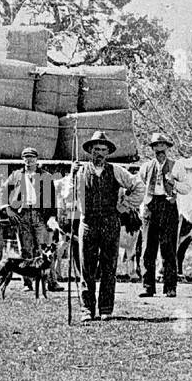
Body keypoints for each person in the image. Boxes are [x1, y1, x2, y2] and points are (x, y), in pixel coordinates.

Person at [67, 131, 142, 320]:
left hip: (110, 222)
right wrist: (72, 176)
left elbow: (138, 186)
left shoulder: (116, 171)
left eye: (103, 149)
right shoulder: (81, 171)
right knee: (87, 267)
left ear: (108, 152)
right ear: (90, 151)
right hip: (88, 223)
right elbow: (68, 197)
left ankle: (106, 309)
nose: (99, 153)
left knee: (109, 267)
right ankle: (87, 309)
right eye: (96, 149)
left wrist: (124, 206)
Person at [0, 147, 60, 292]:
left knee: (45, 249)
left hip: (40, 216)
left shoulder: (46, 176)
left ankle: (51, 282)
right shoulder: (16, 175)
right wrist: (7, 208)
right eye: (26, 158)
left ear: (37, 160)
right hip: (22, 216)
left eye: (31, 158)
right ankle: (27, 283)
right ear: (23, 160)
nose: (29, 160)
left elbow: (52, 199)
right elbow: (3, 191)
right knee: (25, 249)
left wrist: (52, 217)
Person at [137, 132, 189, 298]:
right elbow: (138, 187)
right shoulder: (146, 167)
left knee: (168, 248)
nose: (159, 149)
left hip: (168, 206)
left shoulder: (176, 166)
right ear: (152, 149)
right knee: (148, 249)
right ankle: (148, 287)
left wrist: (174, 182)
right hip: (151, 206)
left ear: (167, 147)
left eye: (162, 146)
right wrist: (142, 207)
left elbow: (187, 188)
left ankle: (170, 287)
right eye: (156, 146)